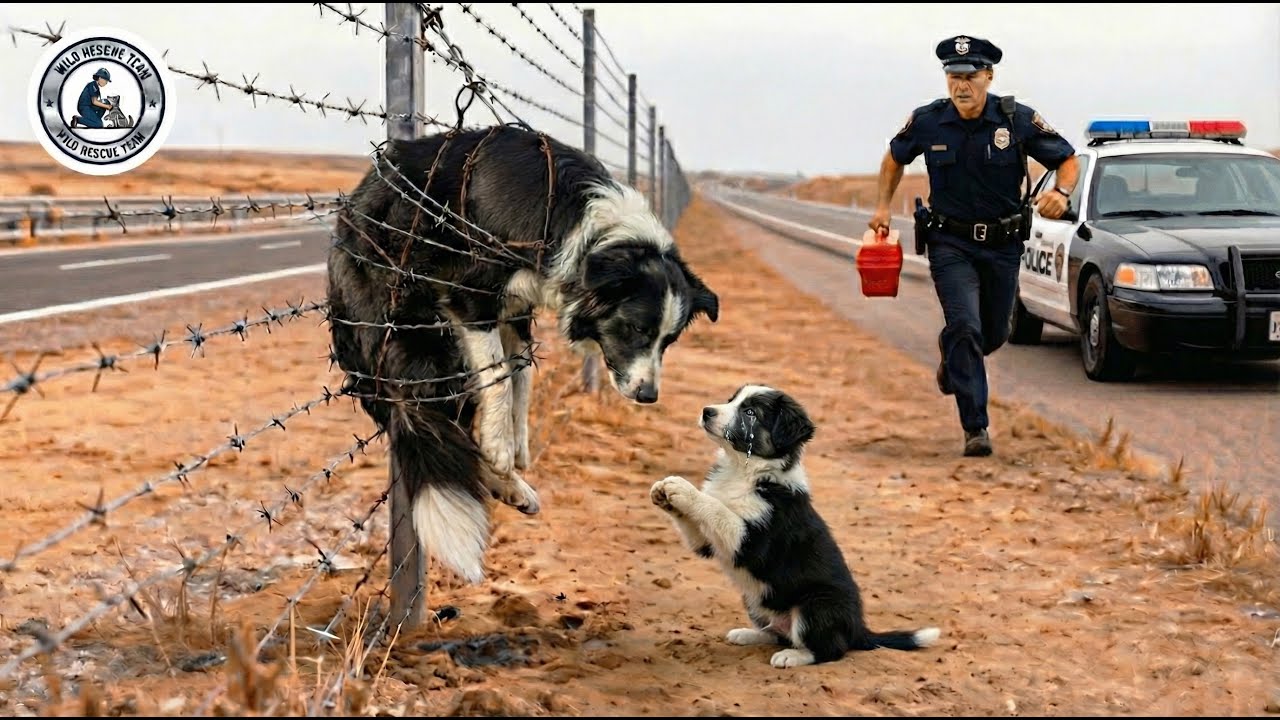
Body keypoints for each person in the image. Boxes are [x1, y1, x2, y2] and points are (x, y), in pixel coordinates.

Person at [868, 35, 1079, 458]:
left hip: (1002, 246)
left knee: (993, 334)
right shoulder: (929, 121)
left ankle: (955, 359)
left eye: (969, 76)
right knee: (965, 325)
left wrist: (1064, 192)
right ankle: (976, 427)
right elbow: (895, 157)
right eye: (952, 76)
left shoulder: (1016, 119)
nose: (960, 85)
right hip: (950, 243)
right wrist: (882, 208)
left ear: (988, 75)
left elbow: (1067, 158)